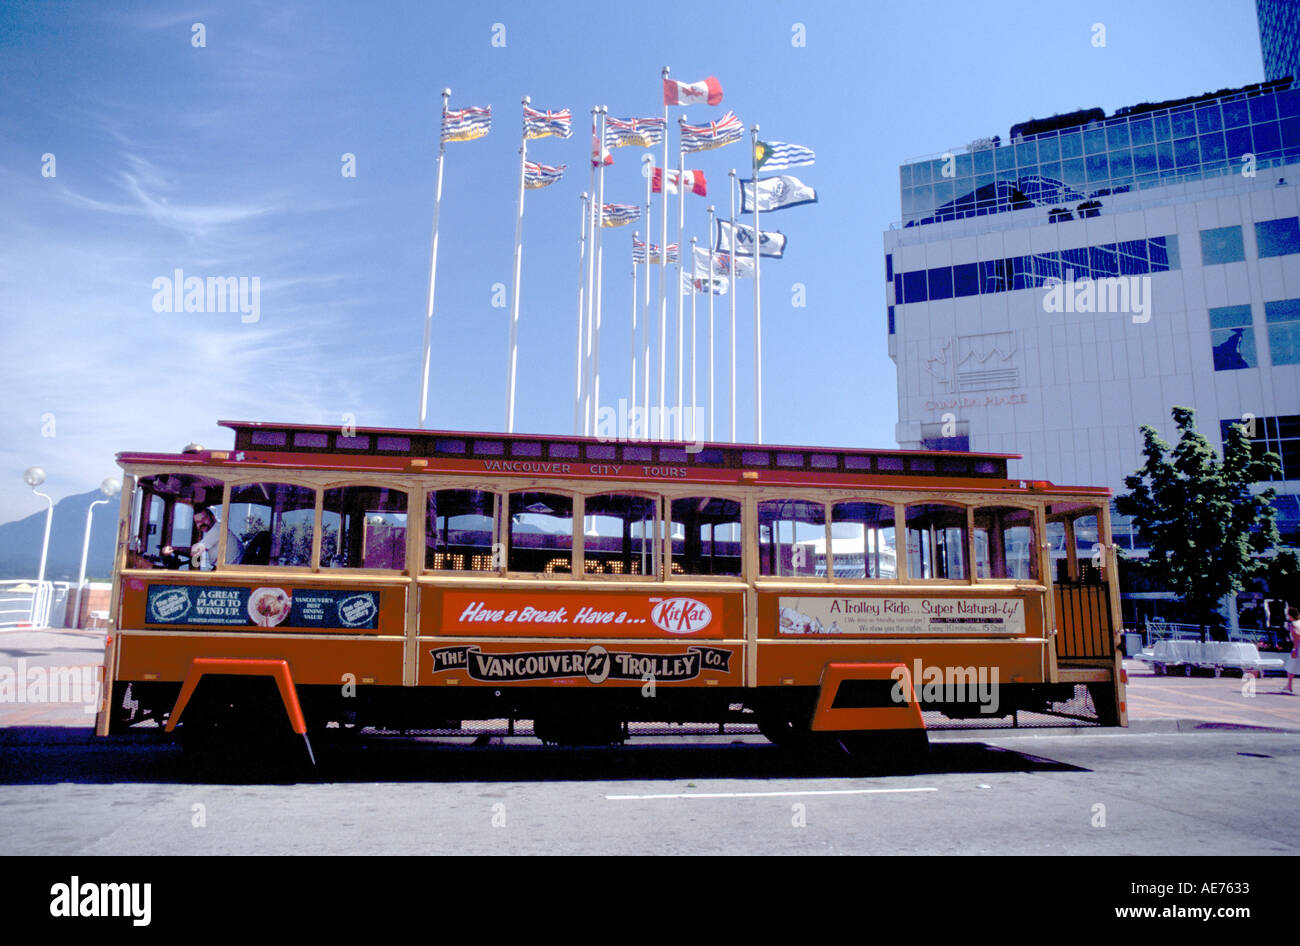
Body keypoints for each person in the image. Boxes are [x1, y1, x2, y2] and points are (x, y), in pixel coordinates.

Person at [1285, 608, 1300, 694]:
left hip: (1298, 646)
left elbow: (1296, 637)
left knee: (1290, 666)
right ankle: (1289, 685)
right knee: (1292, 665)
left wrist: (1295, 649)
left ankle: (1289, 685)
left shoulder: (1293, 625)